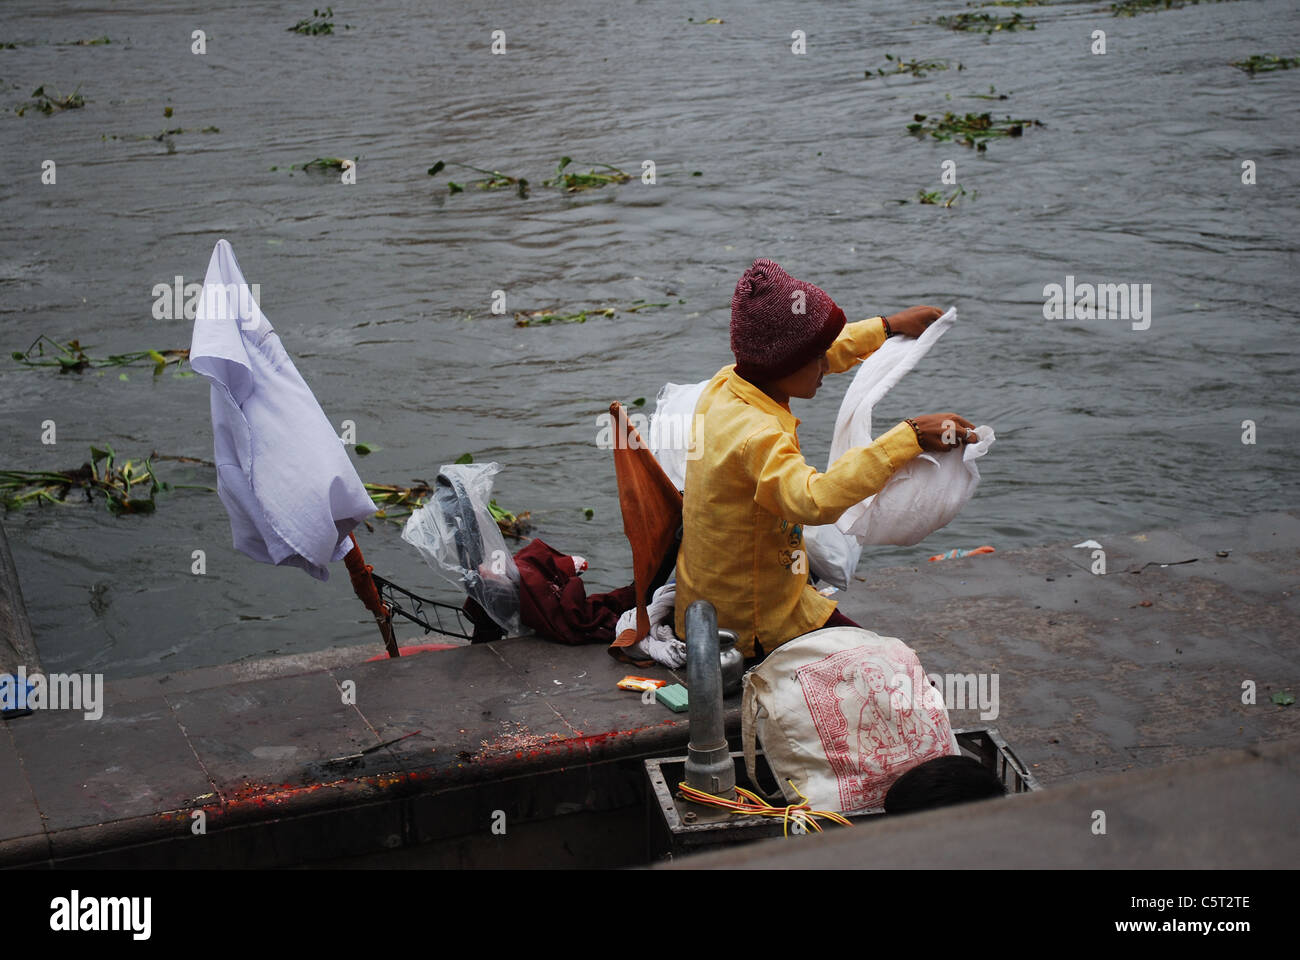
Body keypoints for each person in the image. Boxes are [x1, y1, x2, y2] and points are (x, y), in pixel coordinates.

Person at [673, 258, 978, 661]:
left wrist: (887, 327)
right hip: (751, 626)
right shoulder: (756, 434)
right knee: (886, 669)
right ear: (785, 363)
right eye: (816, 357)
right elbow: (811, 500)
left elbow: (825, 352)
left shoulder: (729, 382)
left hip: (715, 601)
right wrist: (911, 437)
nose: (825, 365)